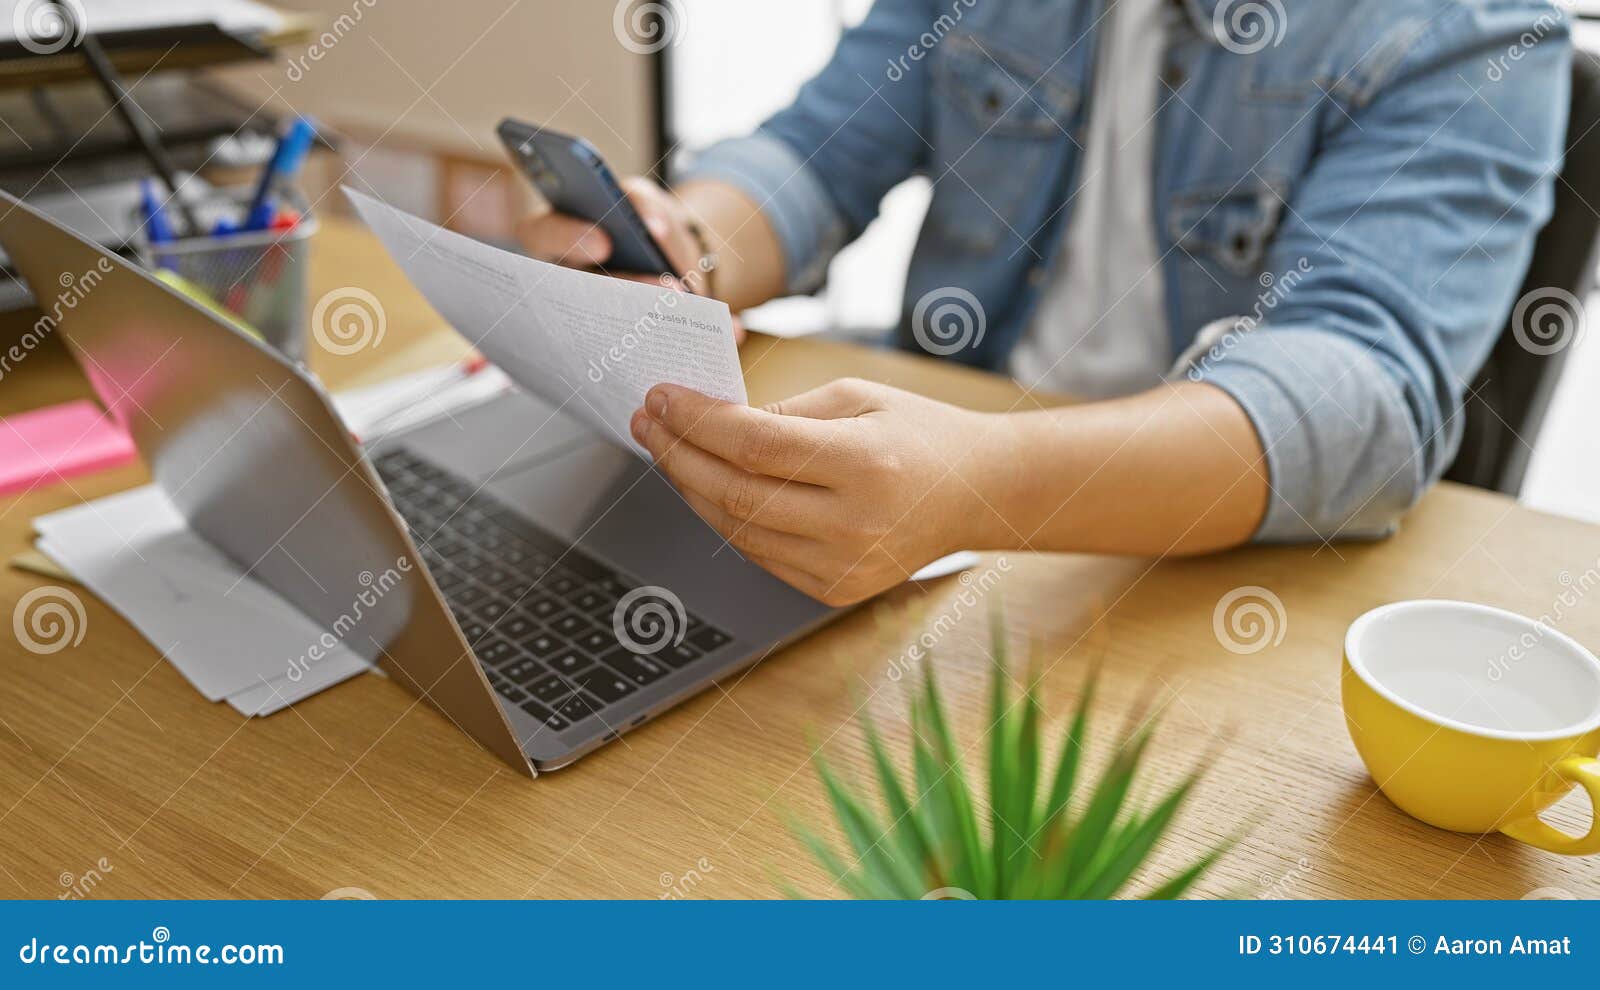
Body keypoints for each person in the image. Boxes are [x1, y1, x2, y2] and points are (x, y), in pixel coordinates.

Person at [518, 0, 1570, 607]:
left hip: (1194, 570)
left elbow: (1358, 392)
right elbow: (817, 151)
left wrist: (982, 482)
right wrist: (684, 246)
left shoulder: (1465, 28)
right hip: (937, 484)